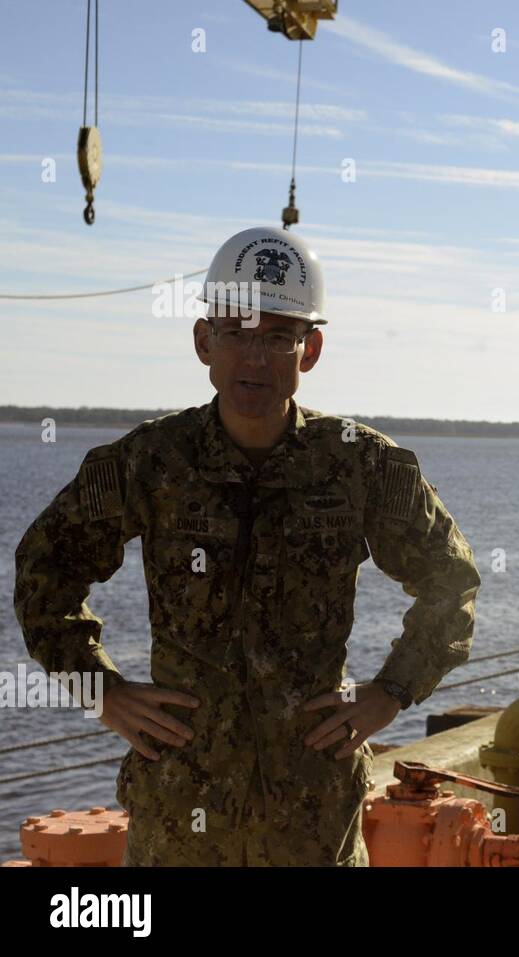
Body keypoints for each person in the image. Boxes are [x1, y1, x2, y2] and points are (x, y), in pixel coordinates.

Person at [13, 226, 481, 866]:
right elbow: (45, 571)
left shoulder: (361, 465)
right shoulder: (149, 462)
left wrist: (389, 693)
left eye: (277, 337)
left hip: (312, 818)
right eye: (236, 333)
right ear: (205, 342)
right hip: (182, 816)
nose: (254, 358)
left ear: (309, 349)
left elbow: (451, 582)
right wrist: (102, 691)